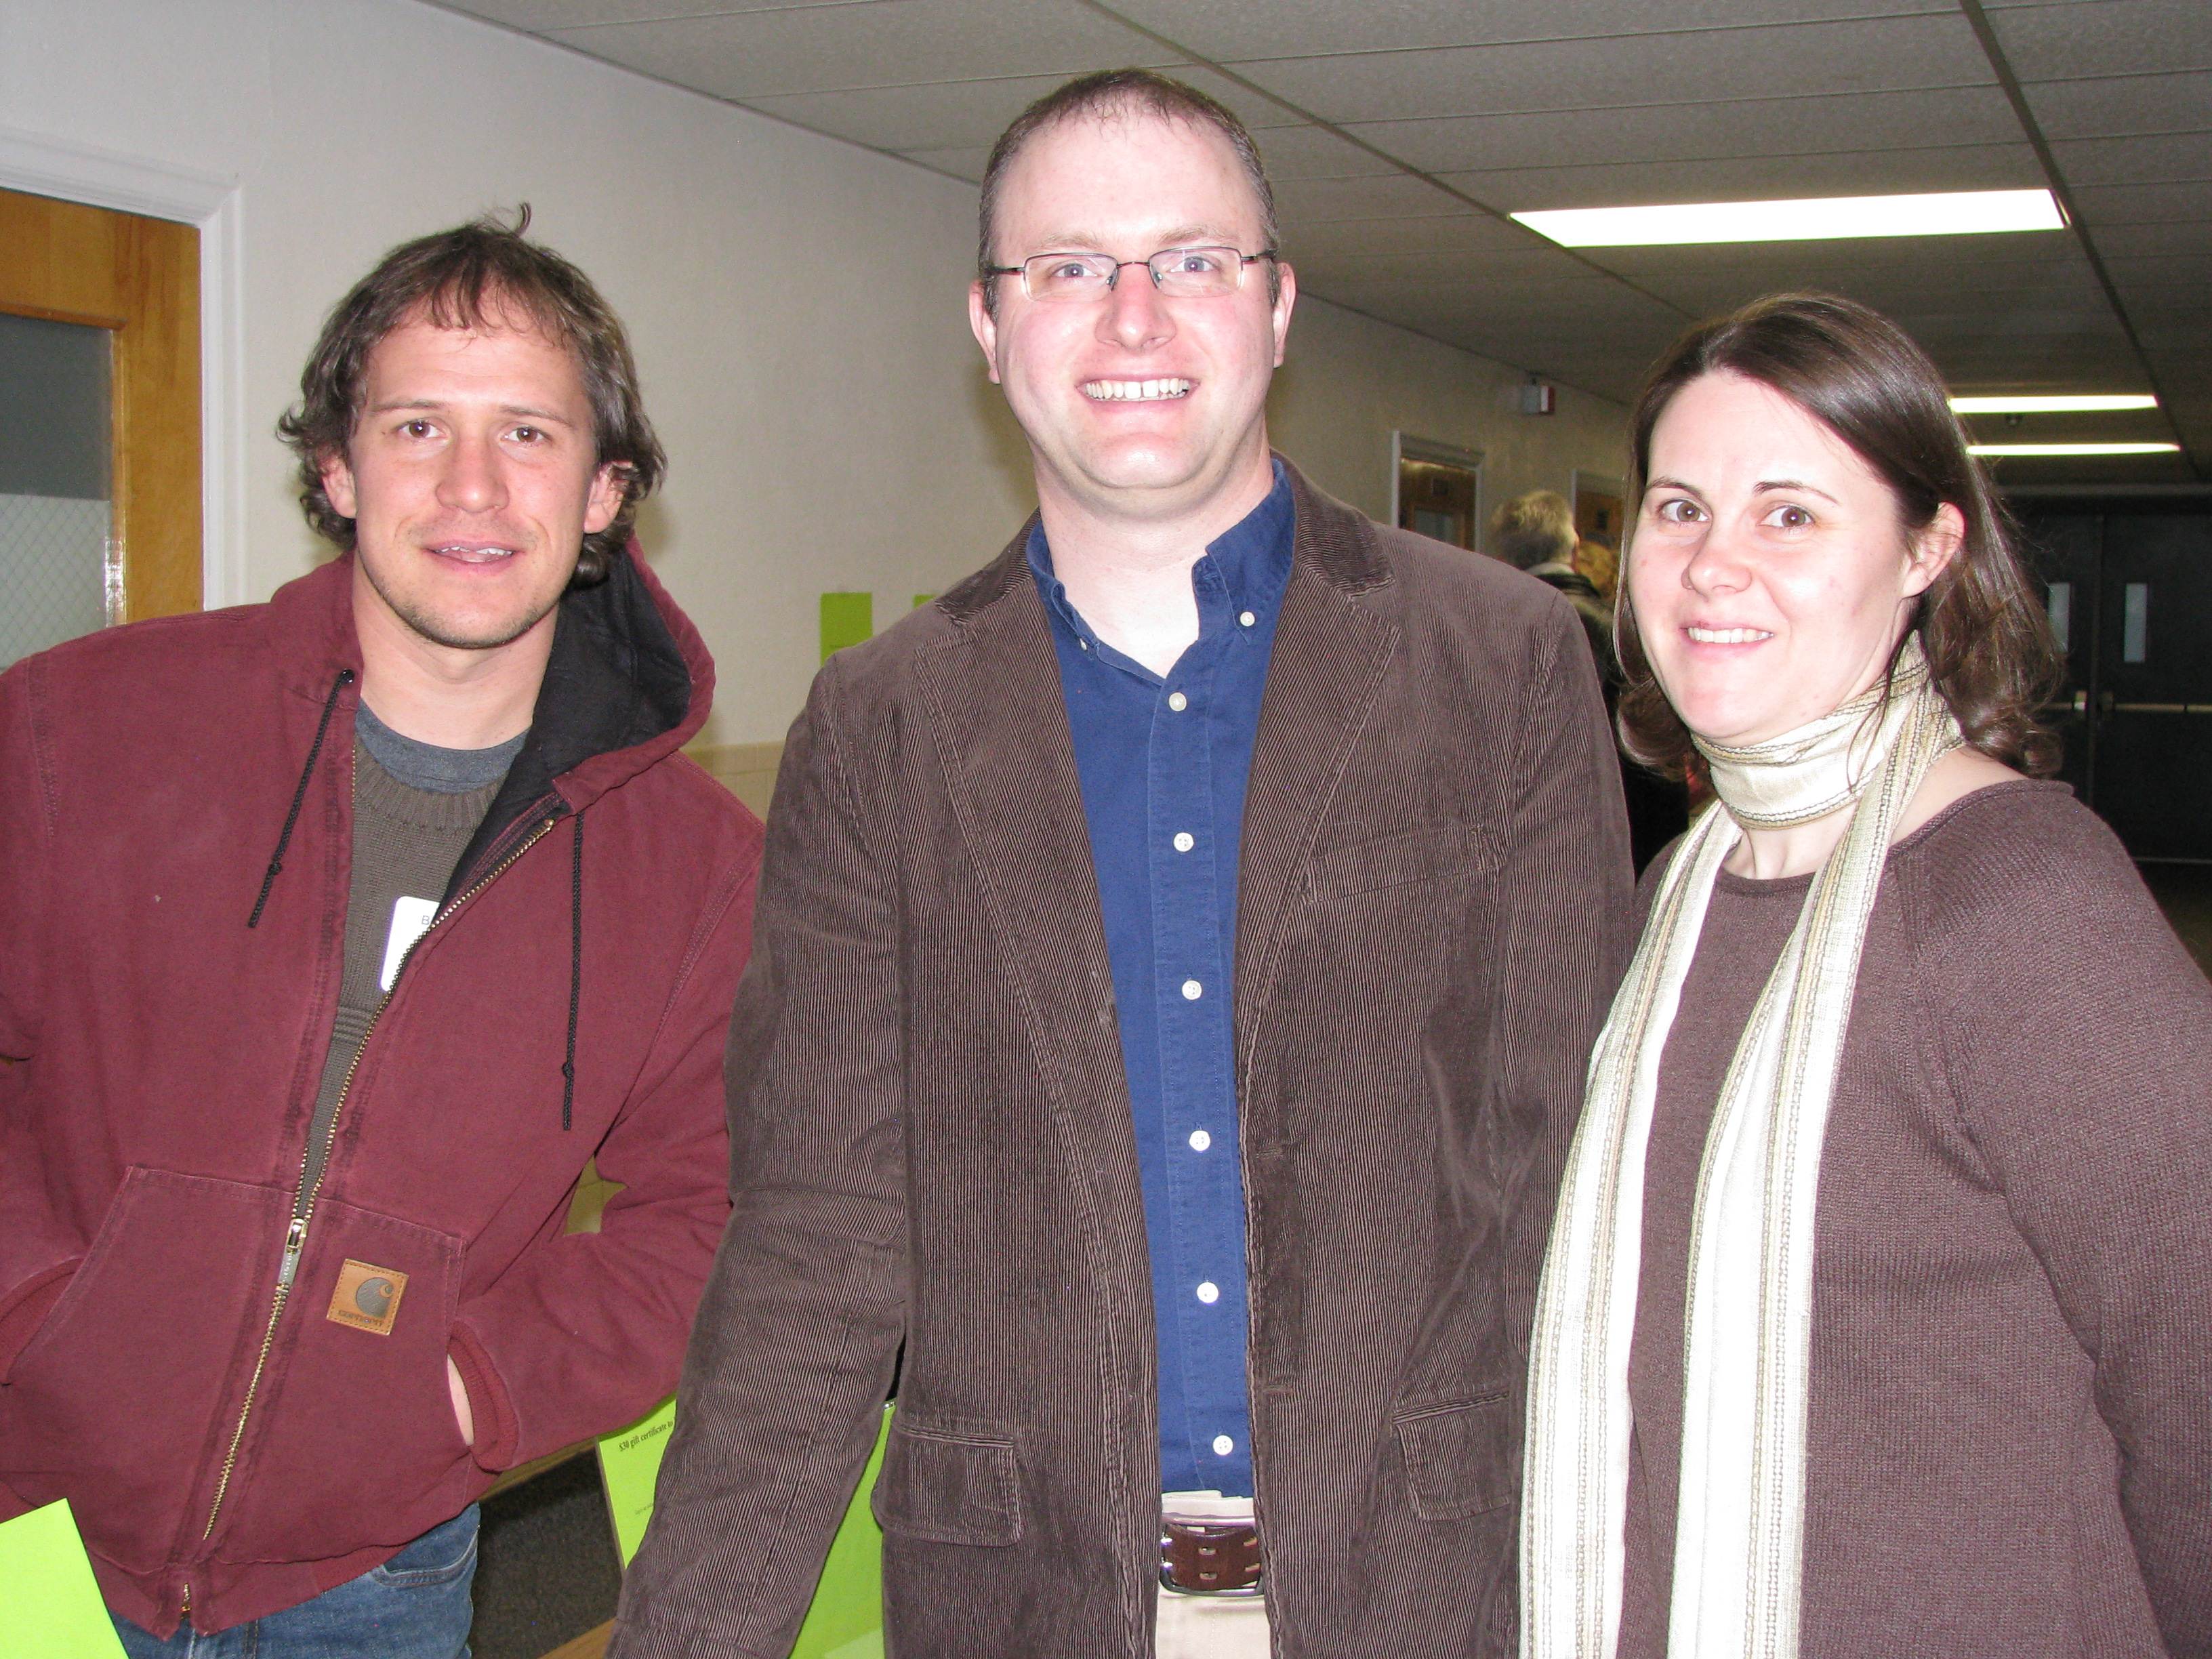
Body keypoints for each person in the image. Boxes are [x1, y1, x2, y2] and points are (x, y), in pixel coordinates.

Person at [612, 68, 1628, 1659]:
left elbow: (1575, 1174)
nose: (1134, 317)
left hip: (1425, 1580)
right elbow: (817, 1238)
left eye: (1194, 261)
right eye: (1070, 267)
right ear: (989, 322)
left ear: (1278, 306)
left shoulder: (1497, 661)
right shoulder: (878, 726)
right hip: (1020, 1592)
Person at [0, 214, 762, 1657]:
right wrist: (50, 1314)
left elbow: (723, 1203)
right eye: (419, 425)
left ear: (605, 494)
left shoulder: (698, 866)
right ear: (340, 471)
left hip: (375, 1574)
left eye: (529, 433)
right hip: (32, 1516)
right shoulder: (79, 726)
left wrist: (473, 1381)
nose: (472, 485)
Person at [1522, 293, 2212, 1658]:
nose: (1717, 564)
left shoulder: (2021, 904)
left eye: (1791, 513)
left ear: (1927, 547)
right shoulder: (1684, 894)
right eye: (1678, 509)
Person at [1495, 490, 1687, 872]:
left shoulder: (1492, 633)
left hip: (1534, 853)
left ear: (1502, 556)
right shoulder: (1623, 635)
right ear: (1574, 548)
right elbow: (1657, 760)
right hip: (1628, 842)